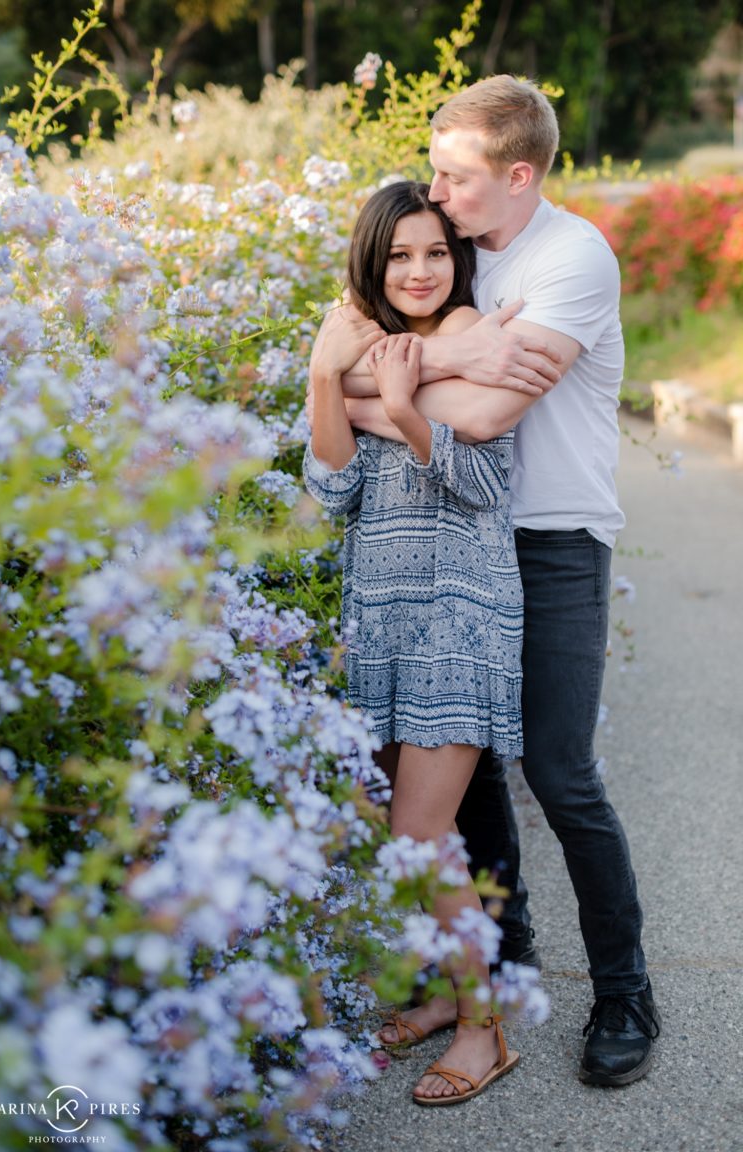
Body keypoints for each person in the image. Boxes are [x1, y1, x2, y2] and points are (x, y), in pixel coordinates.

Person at [312, 75, 660, 1088]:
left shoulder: (570, 257)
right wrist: (420, 365)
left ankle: (625, 991)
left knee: (559, 770)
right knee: (468, 794)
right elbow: (412, 380)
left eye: (455, 175)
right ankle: (493, 979)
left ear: (517, 176)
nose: (437, 190)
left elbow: (487, 417)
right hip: (430, 559)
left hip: (550, 537)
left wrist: (366, 379)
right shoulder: (453, 253)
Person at [303, 180, 524, 1105]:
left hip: (458, 614)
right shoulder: (355, 342)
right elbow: (331, 490)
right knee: (402, 830)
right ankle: (443, 994)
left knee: (419, 835)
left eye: (436, 251)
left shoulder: (478, 338)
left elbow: (485, 482)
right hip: (381, 617)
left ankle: (484, 1028)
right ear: (374, 262)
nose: (420, 270)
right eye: (400, 255)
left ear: (456, 258)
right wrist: (327, 378)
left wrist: (398, 407)